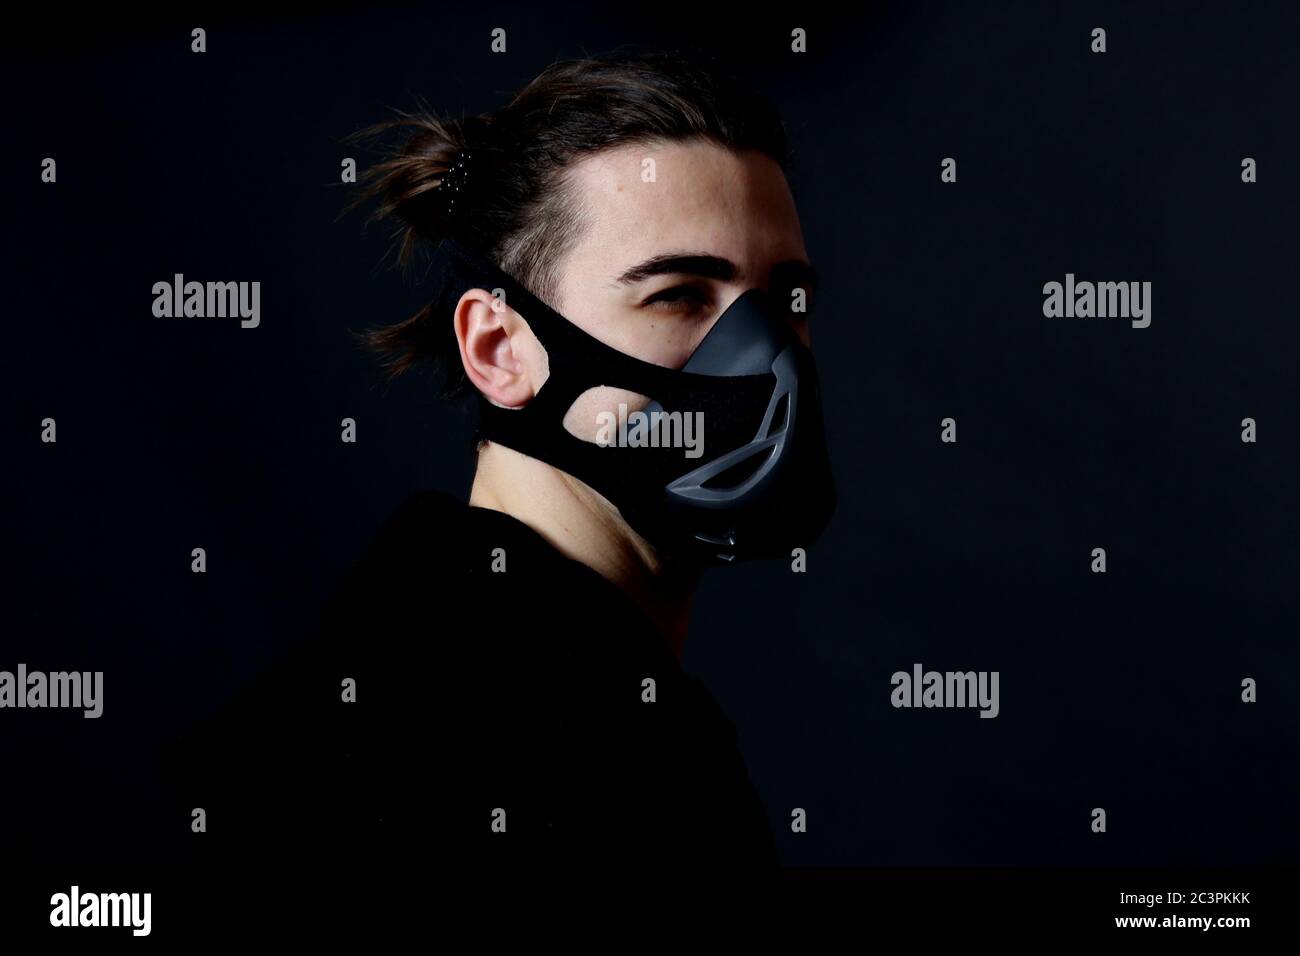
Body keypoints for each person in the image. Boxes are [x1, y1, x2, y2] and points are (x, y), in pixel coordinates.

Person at [162, 50, 836, 904]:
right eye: (678, 295)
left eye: (786, 300)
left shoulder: (418, 673)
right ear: (498, 349)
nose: (764, 355)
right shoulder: (530, 755)